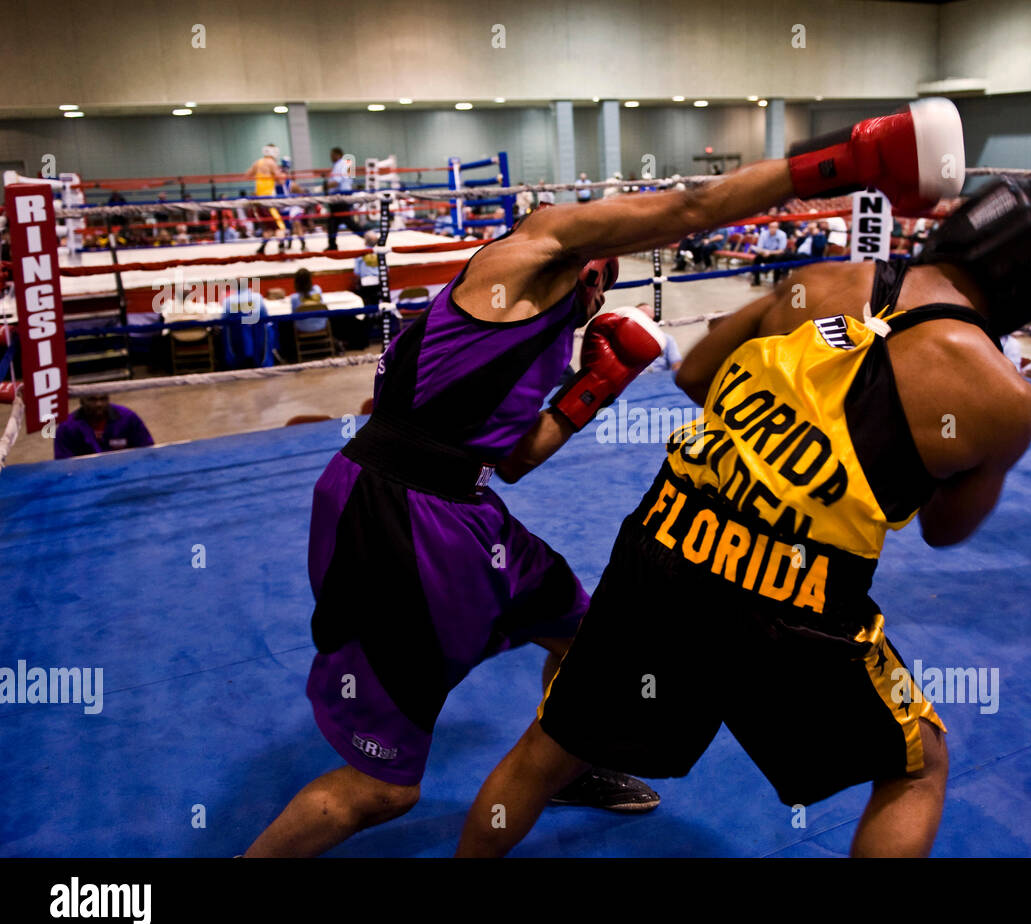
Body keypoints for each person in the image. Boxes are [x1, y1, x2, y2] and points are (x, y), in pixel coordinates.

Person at [243, 98, 965, 858]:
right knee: (383, 788)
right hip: (401, 516)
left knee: (586, 639)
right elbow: (691, 207)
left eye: (604, 288)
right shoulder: (527, 251)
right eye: (599, 271)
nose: (596, 293)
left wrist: (591, 390)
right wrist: (848, 162)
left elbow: (514, 460)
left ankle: (568, 764)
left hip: (456, 507)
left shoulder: (540, 332)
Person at [454, 176, 1031, 859]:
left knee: (550, 747)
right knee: (918, 766)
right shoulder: (1002, 397)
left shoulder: (824, 281)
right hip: (796, 601)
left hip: (665, 545)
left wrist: (774, 431)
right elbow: (943, 529)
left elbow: (695, 374)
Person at [53, 394, 154, 459]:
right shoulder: (67, 427)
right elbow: (63, 463)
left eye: (103, 399)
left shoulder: (128, 418)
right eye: (92, 399)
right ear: (82, 401)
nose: (99, 404)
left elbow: (148, 450)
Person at [247, 145, 287, 255]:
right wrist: (282, 173)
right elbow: (281, 181)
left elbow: (248, 175)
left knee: (269, 227)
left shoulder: (257, 163)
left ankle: (261, 249)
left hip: (258, 200)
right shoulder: (272, 163)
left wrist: (262, 177)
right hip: (268, 200)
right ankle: (281, 248)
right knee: (280, 226)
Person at [325, 147, 368, 250]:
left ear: (338, 155)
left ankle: (368, 236)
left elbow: (336, 182)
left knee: (346, 221)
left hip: (340, 196)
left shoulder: (340, 165)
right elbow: (349, 181)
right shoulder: (345, 164)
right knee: (333, 221)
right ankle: (332, 245)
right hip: (343, 195)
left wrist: (324, 186)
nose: (330, 157)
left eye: (332, 155)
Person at [636, 302, 682, 372]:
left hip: (661, 377)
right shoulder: (627, 342)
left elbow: (676, 363)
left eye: (649, 318)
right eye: (642, 318)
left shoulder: (667, 339)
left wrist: (676, 374)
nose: (646, 321)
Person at [751, 221, 790, 286]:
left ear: (777, 227)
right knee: (757, 259)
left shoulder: (782, 234)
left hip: (776, 254)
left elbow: (781, 250)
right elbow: (759, 247)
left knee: (778, 259)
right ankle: (756, 281)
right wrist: (763, 252)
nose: (773, 229)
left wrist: (769, 252)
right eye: (771, 227)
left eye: (775, 227)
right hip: (764, 253)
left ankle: (775, 281)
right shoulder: (764, 234)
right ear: (768, 227)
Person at [290, 268, 328, 333]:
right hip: (321, 325)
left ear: (296, 282)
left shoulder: (294, 298)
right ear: (310, 280)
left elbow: (293, 316)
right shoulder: (318, 290)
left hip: (303, 328)